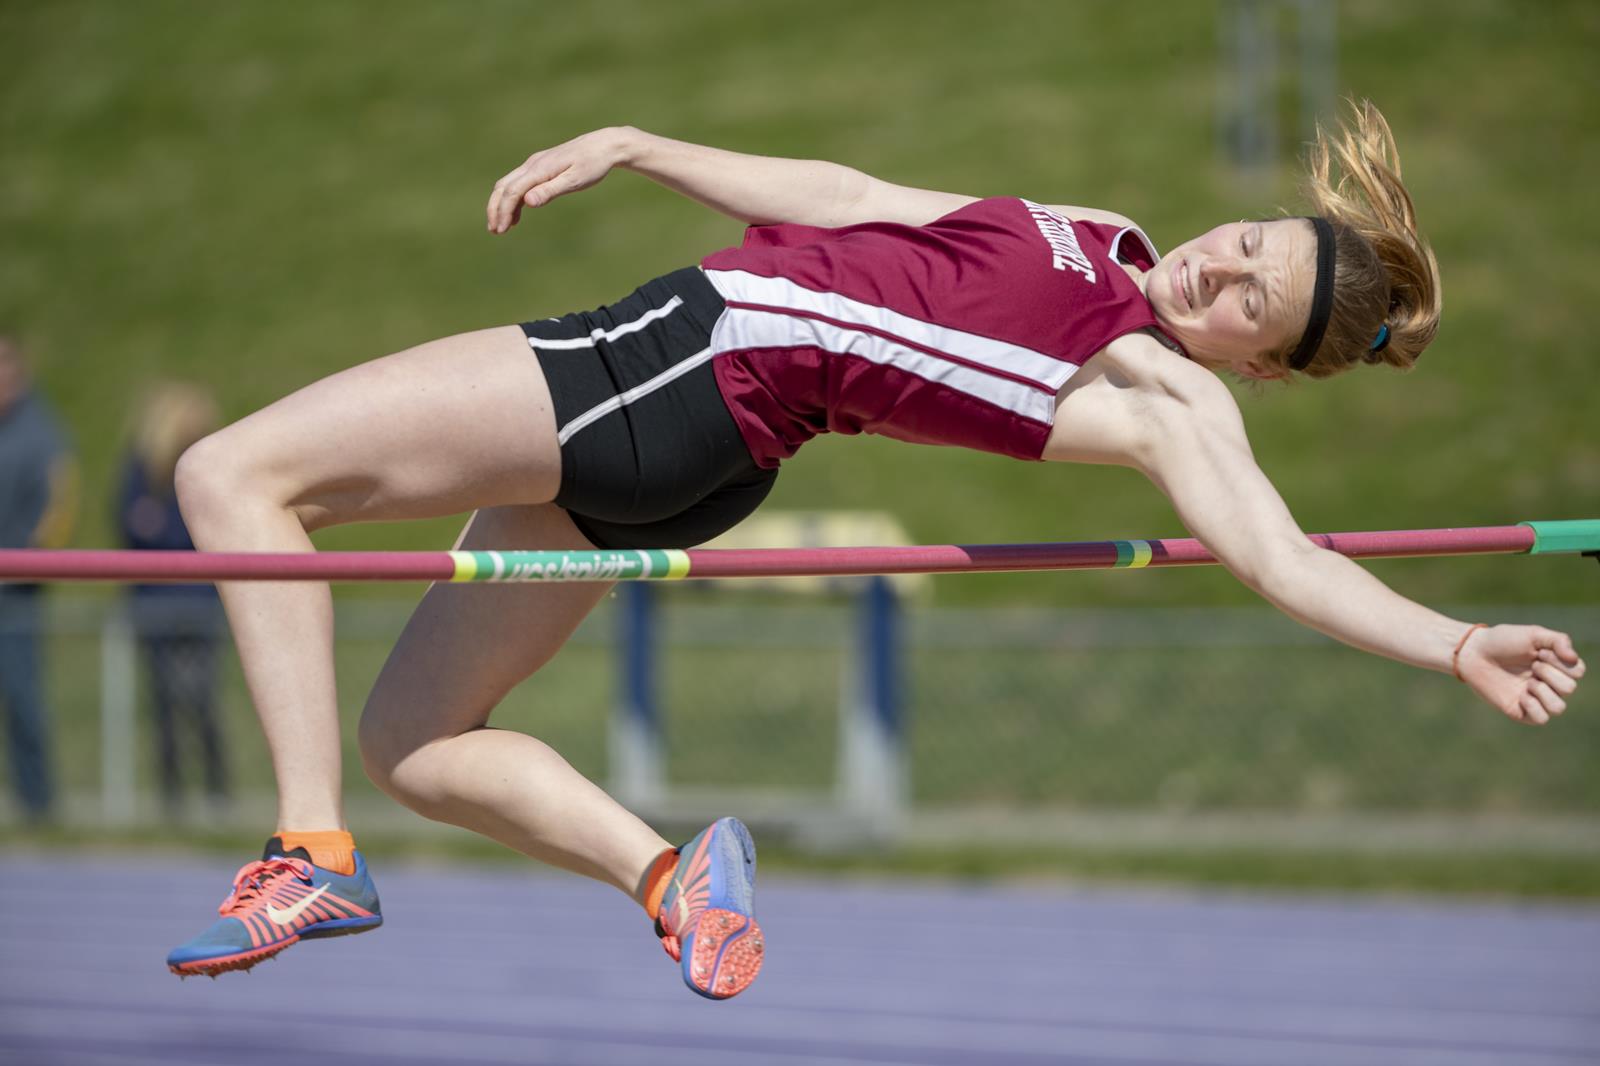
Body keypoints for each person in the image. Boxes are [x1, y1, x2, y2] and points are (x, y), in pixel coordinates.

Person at [164, 101, 1586, 996]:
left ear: (1253, 364)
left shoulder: (1167, 391)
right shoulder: (1097, 232)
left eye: (1243, 299)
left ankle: (308, 847)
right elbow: (849, 198)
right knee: (415, 736)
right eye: (1242, 242)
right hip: (714, 448)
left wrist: (1457, 640)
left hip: (686, 367)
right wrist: (642, 145)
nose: (1212, 267)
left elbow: (1281, 558)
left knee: (232, 475)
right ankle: (670, 881)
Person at [117, 382, 228, 820]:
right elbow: (133, 525)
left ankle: (217, 792)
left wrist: (159, 527)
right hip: (157, 604)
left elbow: (187, 533)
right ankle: (173, 797)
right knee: (164, 703)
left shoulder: (204, 467)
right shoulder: (141, 470)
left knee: (201, 701)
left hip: (196, 603)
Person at [0, 334, 78, 824]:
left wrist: (31, 557)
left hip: (16, 589)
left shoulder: (42, 431)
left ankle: (38, 804)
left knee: (23, 696)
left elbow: (59, 504)